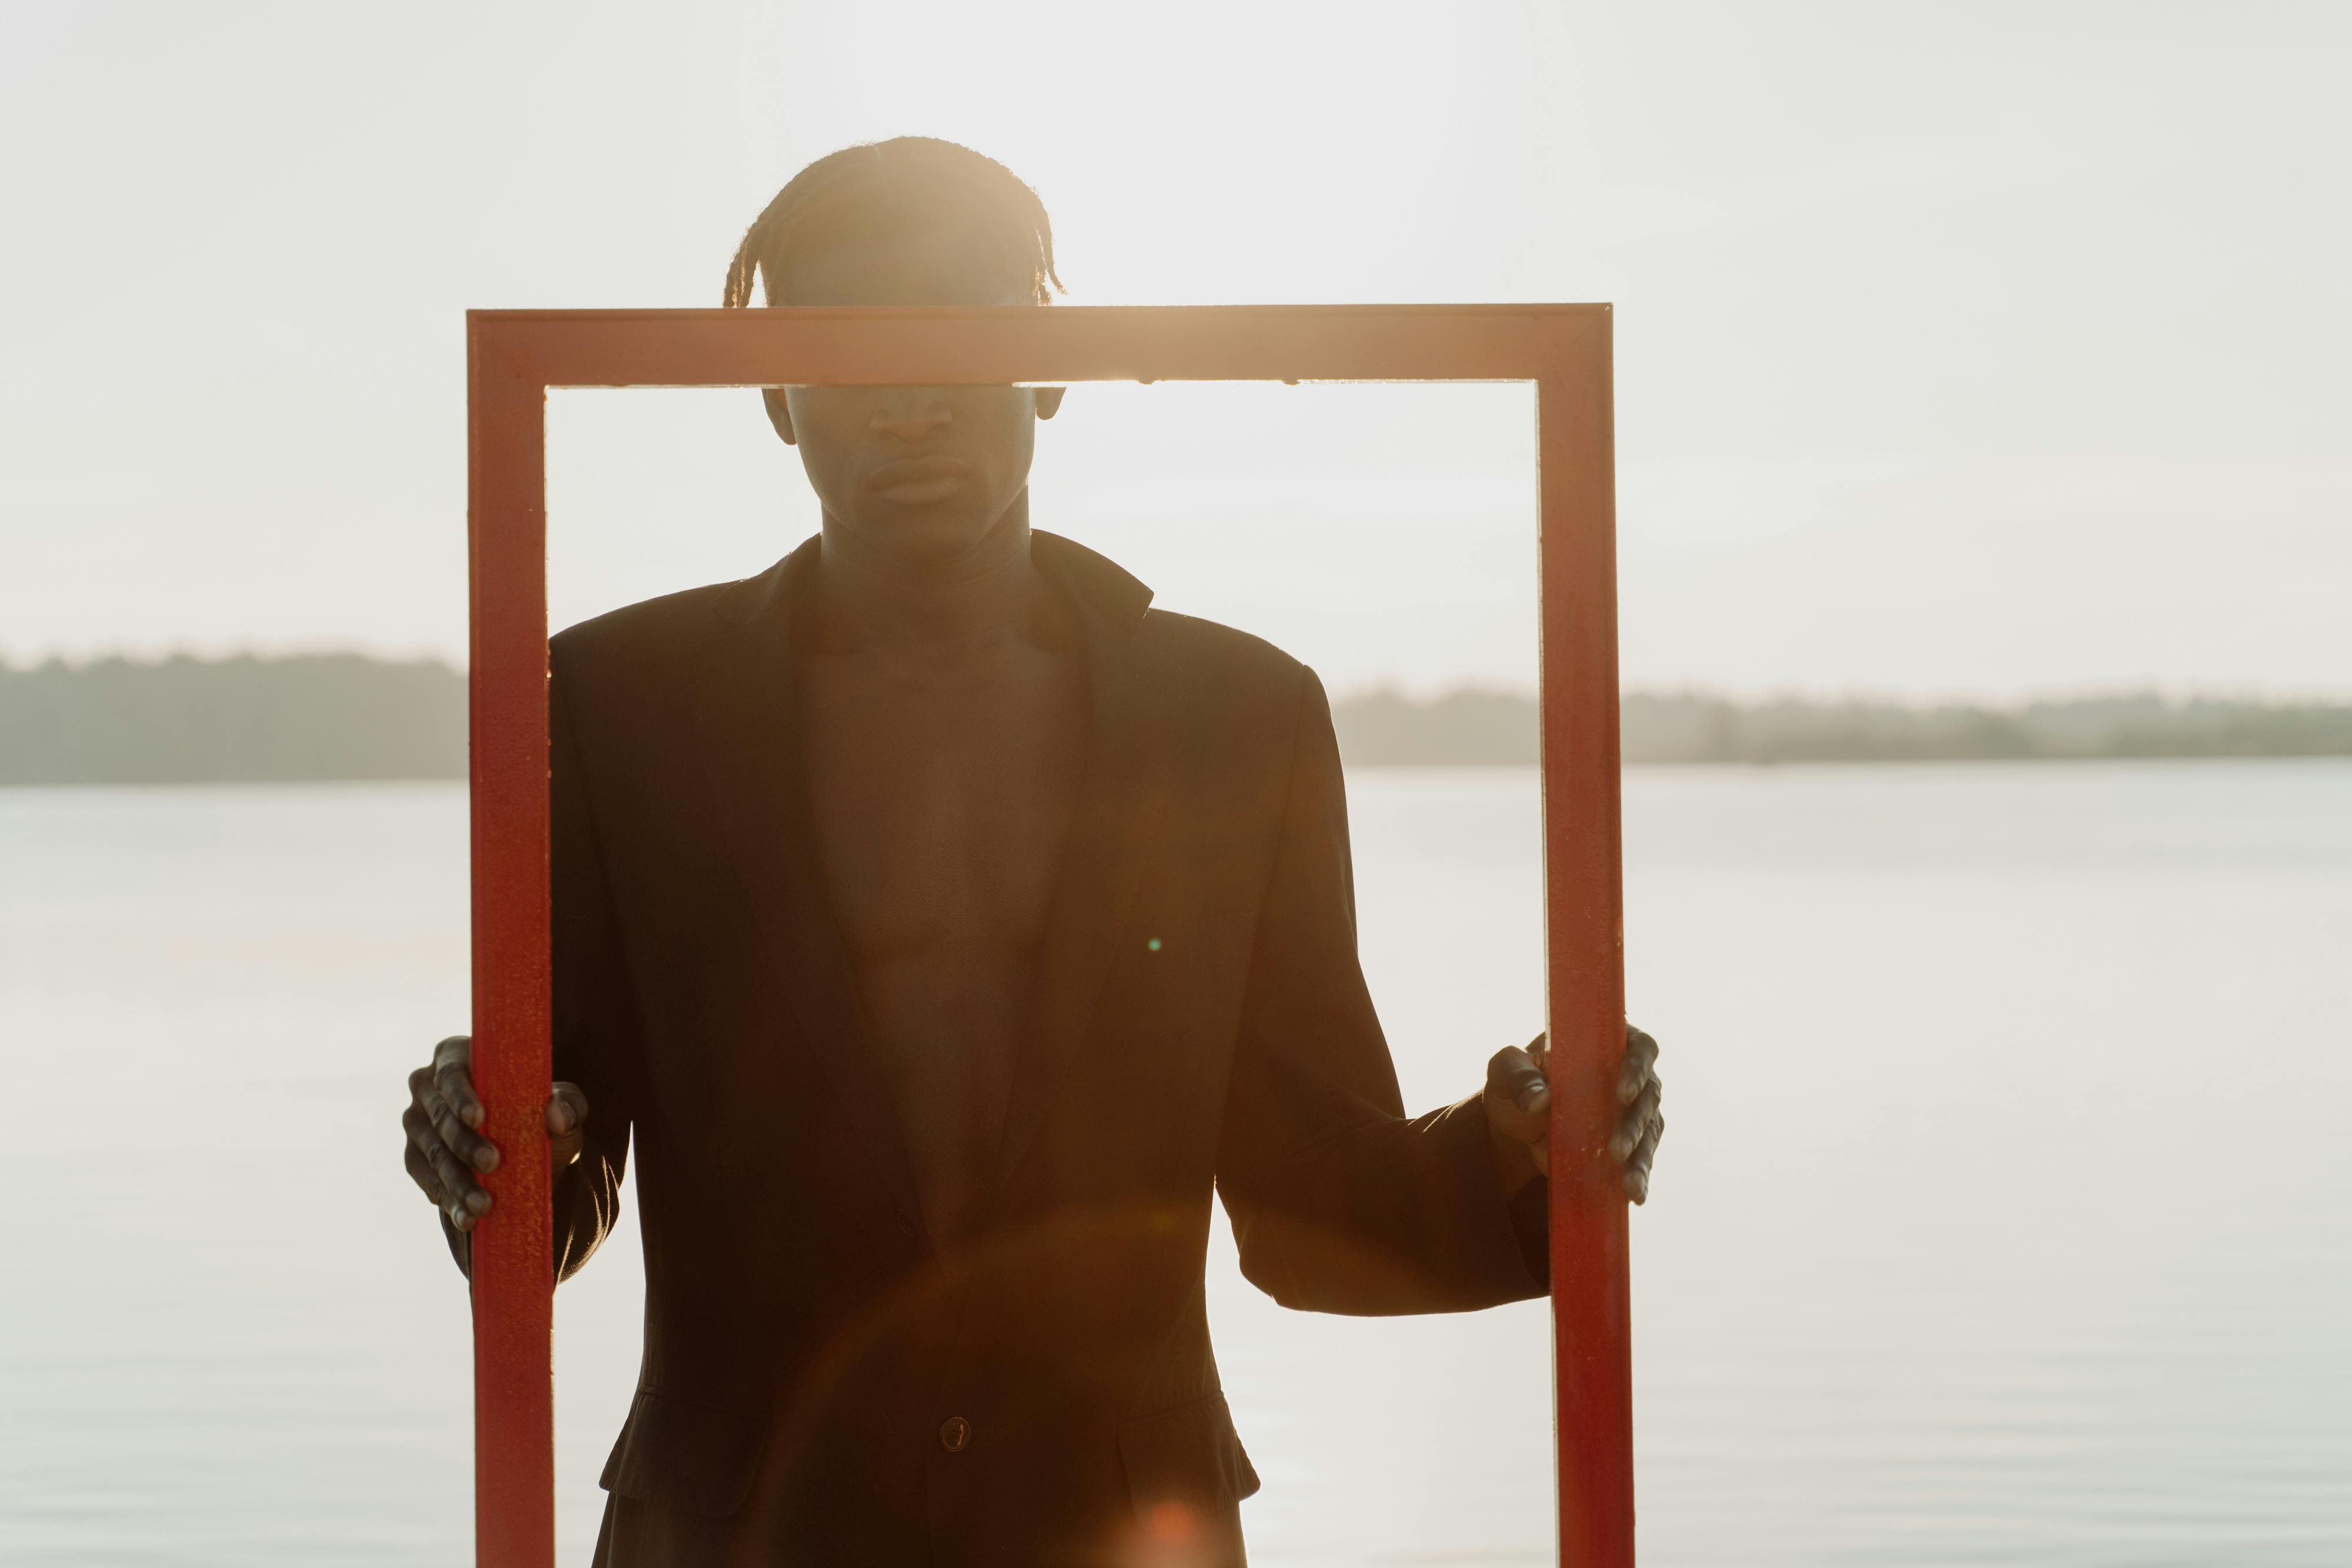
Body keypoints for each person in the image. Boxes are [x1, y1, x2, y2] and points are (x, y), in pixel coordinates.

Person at [401, 136, 1665, 1567]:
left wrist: (1527, 1148)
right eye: (851, 348)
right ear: (770, 392)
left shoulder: (1236, 716)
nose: (914, 403)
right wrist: (487, 1145)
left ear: (1054, 366)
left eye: (963, 334)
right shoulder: (618, 707)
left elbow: (1313, 1208)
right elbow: (563, 1173)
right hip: (738, 1534)